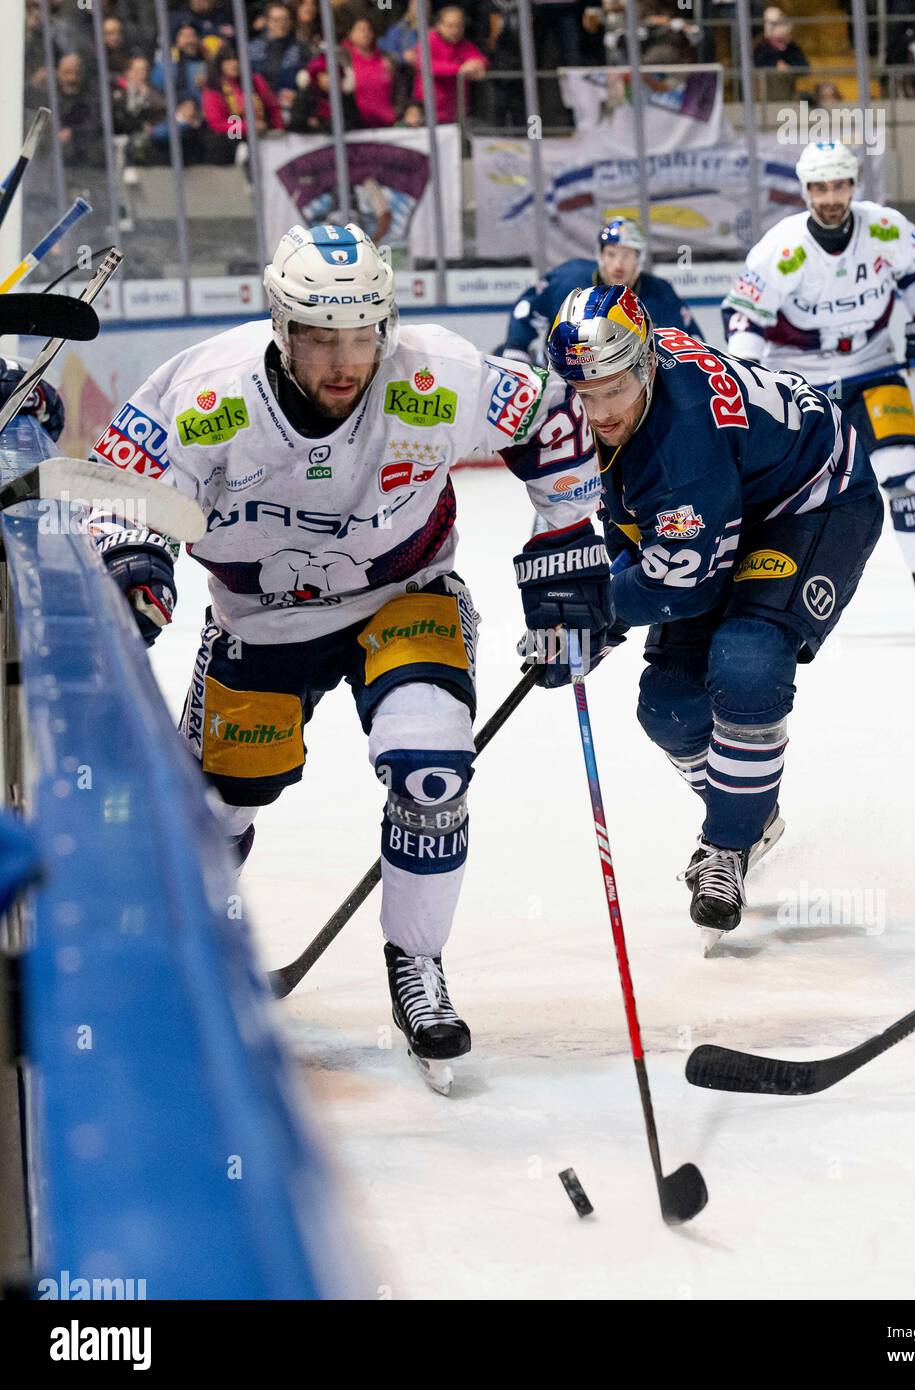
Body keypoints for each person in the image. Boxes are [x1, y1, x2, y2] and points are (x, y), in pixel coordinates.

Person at [90, 223, 602, 1093]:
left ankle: (419, 968)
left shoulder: (435, 373)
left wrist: (567, 554)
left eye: (361, 334)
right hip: (259, 622)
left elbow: (553, 419)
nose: (343, 361)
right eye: (320, 337)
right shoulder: (208, 393)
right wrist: (134, 563)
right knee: (218, 811)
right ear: (281, 329)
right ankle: (194, 959)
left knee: (432, 771)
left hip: (404, 598)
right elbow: (116, 491)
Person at [543, 283, 883, 948]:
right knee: (667, 706)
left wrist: (597, 618)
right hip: (724, 507)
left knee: (747, 659)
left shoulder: (683, 440)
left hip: (813, 503)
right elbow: (630, 525)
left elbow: (684, 582)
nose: (600, 411)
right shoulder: (615, 406)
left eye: (613, 389)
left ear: (643, 367)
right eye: (584, 394)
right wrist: (588, 616)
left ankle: (727, 846)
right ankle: (750, 810)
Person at [722, 140, 915, 627]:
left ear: (853, 185)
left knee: (905, 469)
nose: (831, 197)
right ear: (806, 191)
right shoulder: (780, 249)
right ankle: (753, 589)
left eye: (839, 185)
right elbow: (745, 318)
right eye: (820, 187)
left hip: (874, 367)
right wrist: (748, 382)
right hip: (801, 379)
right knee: (782, 491)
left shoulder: (887, 228)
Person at [496, 217, 701, 365]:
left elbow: (691, 346)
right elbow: (527, 308)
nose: (618, 264)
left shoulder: (660, 294)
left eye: (627, 255)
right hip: (558, 373)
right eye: (611, 254)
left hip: (624, 389)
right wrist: (517, 345)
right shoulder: (569, 279)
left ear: (639, 259)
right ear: (600, 255)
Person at [409, 5, 488, 125]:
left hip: (456, 113)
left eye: (459, 26)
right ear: (439, 25)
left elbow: (480, 60)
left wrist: (478, 66)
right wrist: (459, 69)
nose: (455, 30)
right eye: (450, 26)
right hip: (428, 113)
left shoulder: (464, 44)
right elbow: (425, 65)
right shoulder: (429, 40)